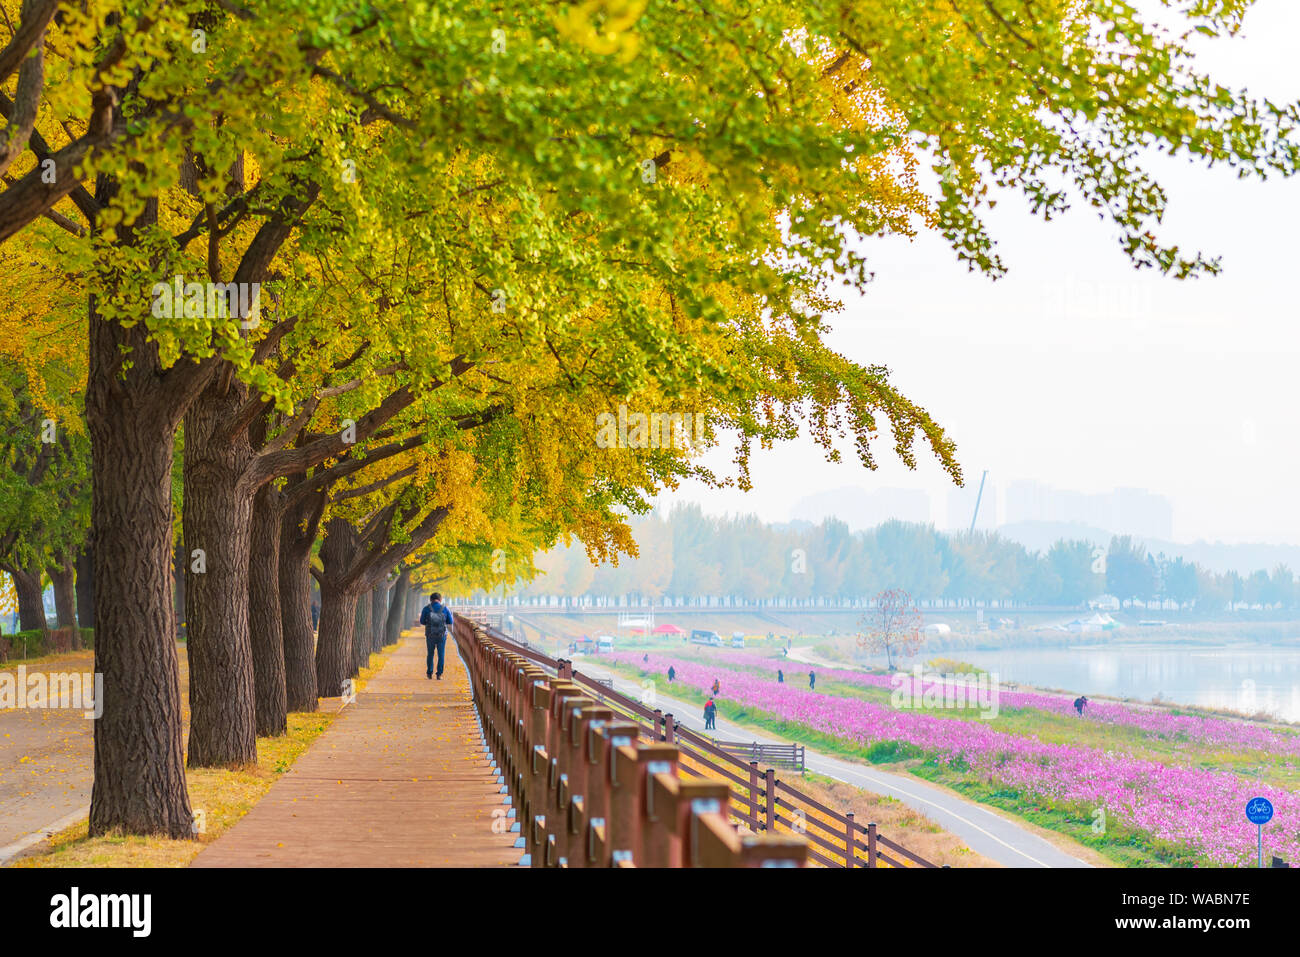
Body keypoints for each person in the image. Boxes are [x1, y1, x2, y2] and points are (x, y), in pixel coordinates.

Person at [419, 592, 453, 680]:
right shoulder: (445, 608)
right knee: (441, 654)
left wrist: (429, 624)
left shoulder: (426, 608)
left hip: (430, 634)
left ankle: (429, 673)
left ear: (431, 599)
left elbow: (422, 621)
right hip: (442, 635)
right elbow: (450, 621)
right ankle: (439, 674)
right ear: (440, 600)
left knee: (430, 654)